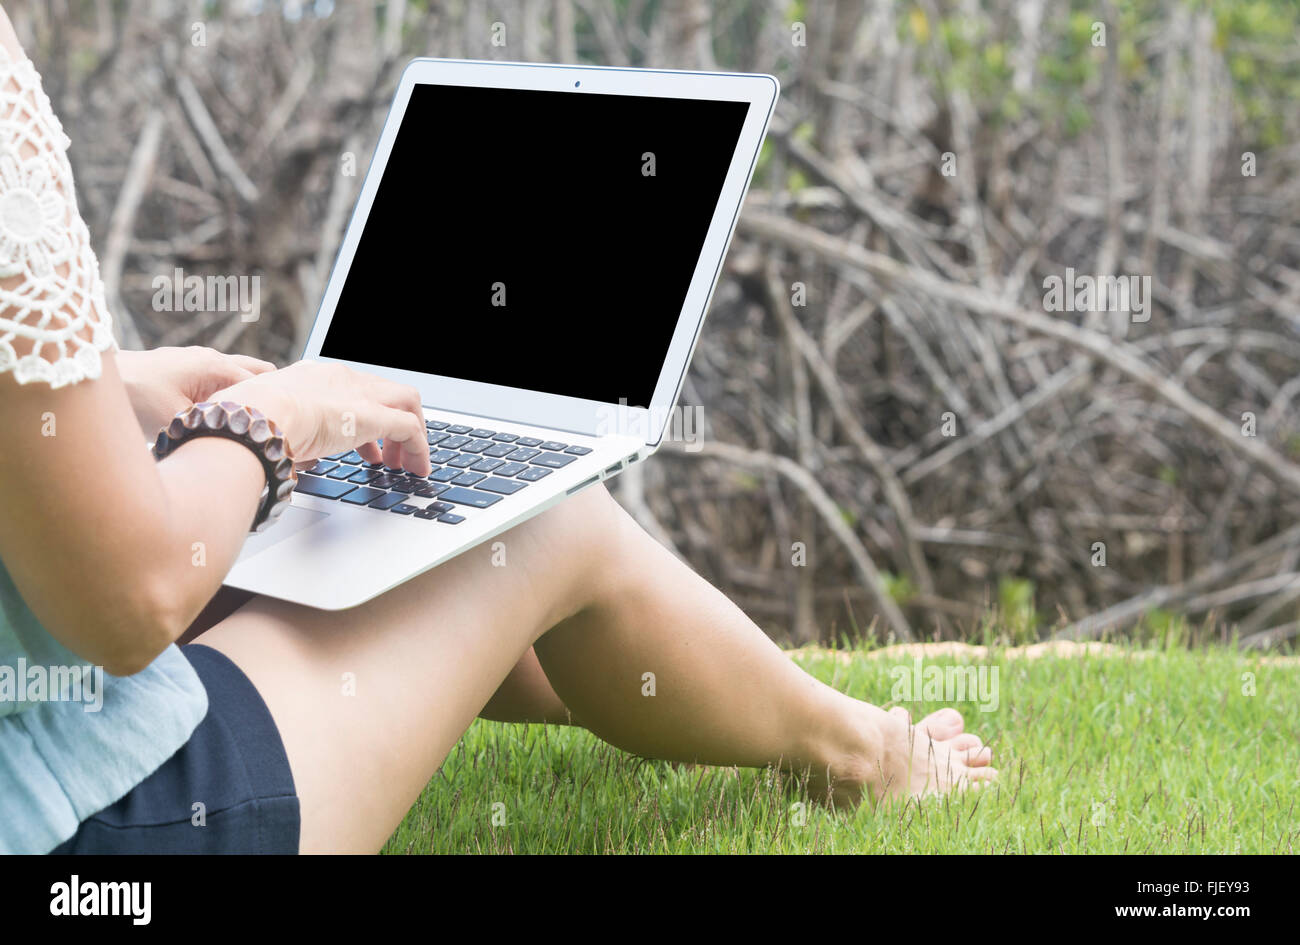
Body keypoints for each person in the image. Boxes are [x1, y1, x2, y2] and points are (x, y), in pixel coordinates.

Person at [0, 6, 993, 854]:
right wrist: (269, 422)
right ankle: (856, 754)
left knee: (378, 540)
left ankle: (715, 686)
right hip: (90, 830)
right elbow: (128, 602)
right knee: (544, 528)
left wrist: (100, 386)